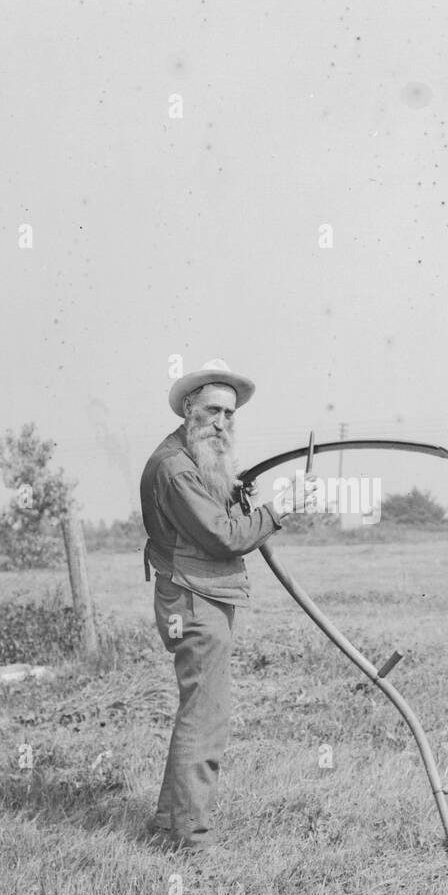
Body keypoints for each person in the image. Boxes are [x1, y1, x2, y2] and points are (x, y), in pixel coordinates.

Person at [139, 358, 313, 852]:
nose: (221, 422)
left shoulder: (192, 457)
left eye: (230, 415)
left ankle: (168, 823)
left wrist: (238, 495)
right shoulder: (175, 469)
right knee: (206, 719)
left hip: (200, 594)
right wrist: (278, 511)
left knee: (198, 711)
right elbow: (221, 537)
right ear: (189, 408)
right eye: (212, 410)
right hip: (194, 599)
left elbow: (215, 510)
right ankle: (190, 839)